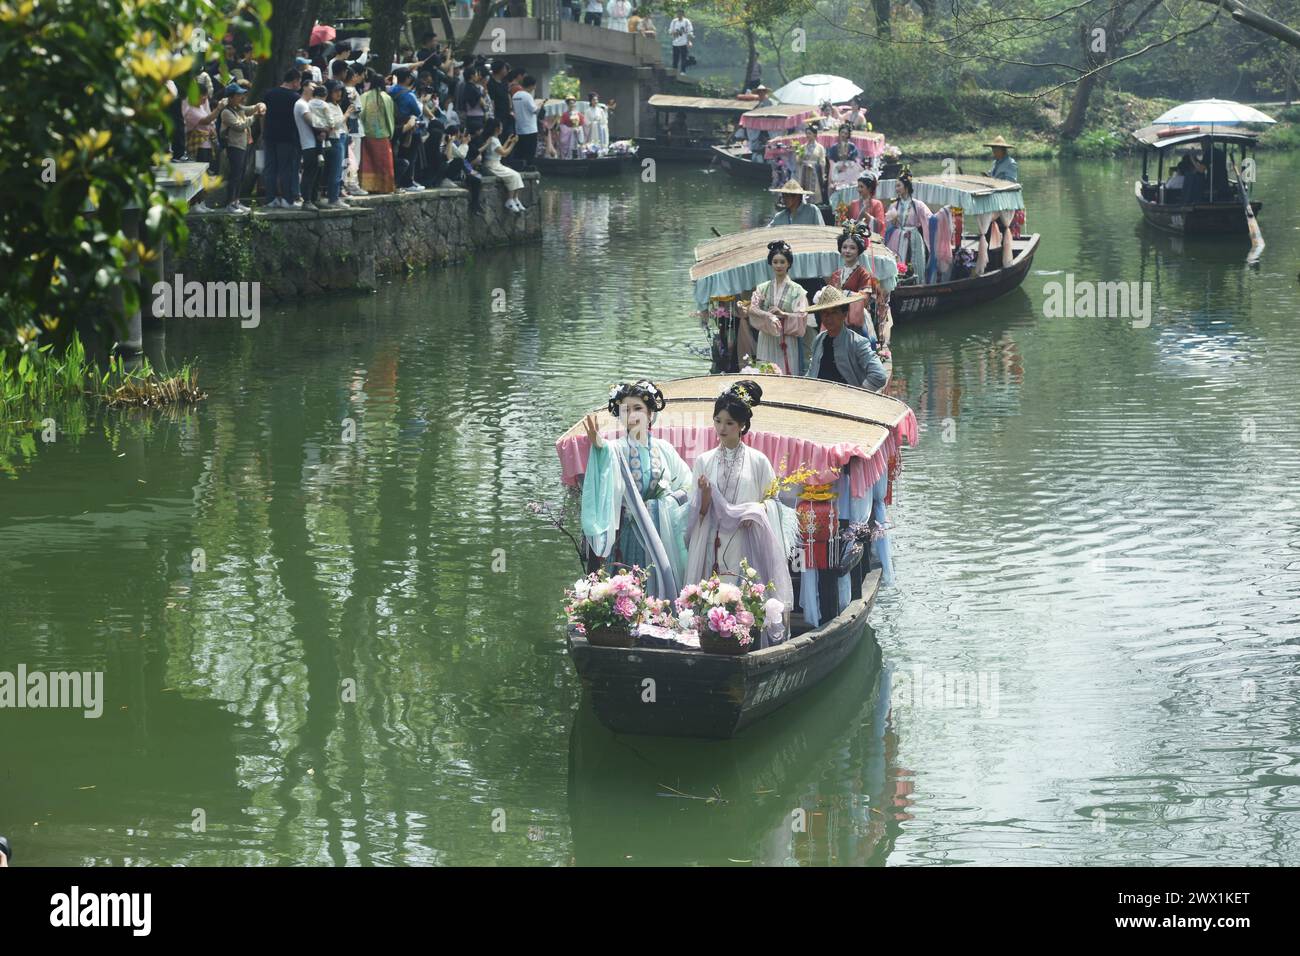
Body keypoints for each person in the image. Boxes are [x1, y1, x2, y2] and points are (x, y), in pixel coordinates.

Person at [802, 285, 894, 622]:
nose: (827, 319)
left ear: (843, 314)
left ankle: (855, 538)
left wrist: (853, 399)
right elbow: (812, 378)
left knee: (852, 483)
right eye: (823, 314)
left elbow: (878, 375)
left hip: (850, 423)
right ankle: (828, 529)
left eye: (832, 313)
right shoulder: (820, 342)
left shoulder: (856, 342)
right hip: (824, 423)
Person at [685, 381, 794, 625]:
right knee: (711, 596)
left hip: (746, 541)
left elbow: (773, 502)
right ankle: (712, 632)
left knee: (745, 595)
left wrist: (755, 511)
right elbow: (699, 513)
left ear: (742, 425)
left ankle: (744, 633)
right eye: (718, 421)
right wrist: (704, 494)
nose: (721, 428)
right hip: (712, 540)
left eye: (729, 423)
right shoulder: (704, 461)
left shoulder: (759, 462)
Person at [581, 381, 692, 599]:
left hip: (660, 533)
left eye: (638, 408)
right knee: (624, 590)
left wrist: (663, 505)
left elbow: (687, 484)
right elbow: (605, 463)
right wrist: (598, 447)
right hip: (626, 532)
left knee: (660, 594)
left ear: (650, 414)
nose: (632, 415)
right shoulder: (614, 449)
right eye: (626, 409)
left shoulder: (664, 449)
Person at [746, 239, 811, 376]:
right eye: (775, 262)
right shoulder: (762, 288)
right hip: (766, 337)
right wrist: (767, 315)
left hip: (786, 339)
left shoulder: (797, 290)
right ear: (770, 263)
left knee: (786, 375)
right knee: (765, 372)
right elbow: (752, 309)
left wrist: (784, 314)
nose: (779, 265)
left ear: (789, 264)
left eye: (782, 262)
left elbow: (802, 315)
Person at [825, 225, 890, 350]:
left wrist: (844, 294)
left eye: (852, 248)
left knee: (860, 348)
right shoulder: (836, 274)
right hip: (837, 317)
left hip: (856, 316)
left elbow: (864, 297)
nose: (847, 251)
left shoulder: (863, 274)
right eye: (844, 247)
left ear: (858, 251)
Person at [217, 83, 265, 213]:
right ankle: (230, 204)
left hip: (243, 145)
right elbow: (240, 126)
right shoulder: (226, 112)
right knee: (235, 175)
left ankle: (236, 201)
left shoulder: (239, 108)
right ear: (231, 97)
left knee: (241, 175)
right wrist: (255, 117)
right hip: (234, 146)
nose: (242, 97)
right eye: (238, 95)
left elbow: (252, 108)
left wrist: (260, 105)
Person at [261, 68, 305, 208]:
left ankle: (270, 199)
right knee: (286, 169)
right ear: (295, 81)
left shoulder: (269, 94)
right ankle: (287, 199)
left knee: (270, 168)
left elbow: (262, 114)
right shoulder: (295, 98)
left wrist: (264, 132)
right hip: (287, 138)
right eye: (299, 81)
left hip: (269, 136)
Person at [884, 168, 932, 283]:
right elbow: (886, 223)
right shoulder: (894, 205)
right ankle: (895, 282)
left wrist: (941, 217)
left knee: (913, 262)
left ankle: (915, 282)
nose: (897, 189)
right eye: (896, 186)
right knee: (897, 260)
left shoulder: (918, 205)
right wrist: (892, 222)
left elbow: (929, 219)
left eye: (899, 186)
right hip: (897, 237)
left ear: (906, 186)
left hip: (913, 236)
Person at [358, 70, 396, 194]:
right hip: (383, 134)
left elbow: (361, 115)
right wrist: (391, 132)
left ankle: (369, 187)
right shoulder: (387, 98)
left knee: (369, 161)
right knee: (384, 162)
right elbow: (390, 116)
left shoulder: (364, 96)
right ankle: (385, 187)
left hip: (368, 134)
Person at [480, 118, 527, 213]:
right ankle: (510, 200)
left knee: (516, 175)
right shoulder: (493, 140)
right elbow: (504, 153)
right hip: (492, 165)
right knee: (514, 175)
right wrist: (513, 143)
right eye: (501, 126)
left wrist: (508, 141)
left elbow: (500, 150)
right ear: (497, 128)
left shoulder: (494, 139)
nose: (502, 128)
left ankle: (515, 199)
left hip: (497, 164)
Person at [319, 80, 350, 208]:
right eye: (336, 91)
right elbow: (336, 124)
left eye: (340, 91)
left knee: (337, 169)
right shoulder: (328, 106)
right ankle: (333, 197)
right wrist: (347, 114)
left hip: (341, 138)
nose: (339, 93)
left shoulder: (336, 105)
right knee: (335, 170)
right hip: (335, 140)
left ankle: (333, 196)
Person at [510, 74, 543, 169]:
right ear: (532, 85)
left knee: (520, 150)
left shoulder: (515, 95)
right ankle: (529, 167)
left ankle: (519, 167)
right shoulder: (527, 96)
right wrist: (540, 105)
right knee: (530, 151)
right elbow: (534, 110)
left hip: (519, 128)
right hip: (530, 128)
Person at [796, 124, 827, 203]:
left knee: (814, 190)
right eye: (806, 133)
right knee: (804, 188)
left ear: (815, 135)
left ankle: (814, 204)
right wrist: (799, 155)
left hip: (814, 171)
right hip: (804, 170)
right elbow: (798, 161)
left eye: (809, 133)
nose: (807, 135)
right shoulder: (803, 147)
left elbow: (822, 161)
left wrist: (821, 171)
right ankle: (803, 203)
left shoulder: (820, 147)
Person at [669, 8, 693, 73]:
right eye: (677, 13)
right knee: (675, 59)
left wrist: (689, 41)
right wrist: (675, 33)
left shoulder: (686, 21)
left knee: (684, 58)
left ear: (683, 14)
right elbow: (670, 32)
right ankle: (674, 72)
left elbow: (690, 32)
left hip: (684, 43)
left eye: (680, 13)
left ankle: (683, 72)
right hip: (675, 43)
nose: (679, 14)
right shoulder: (674, 21)